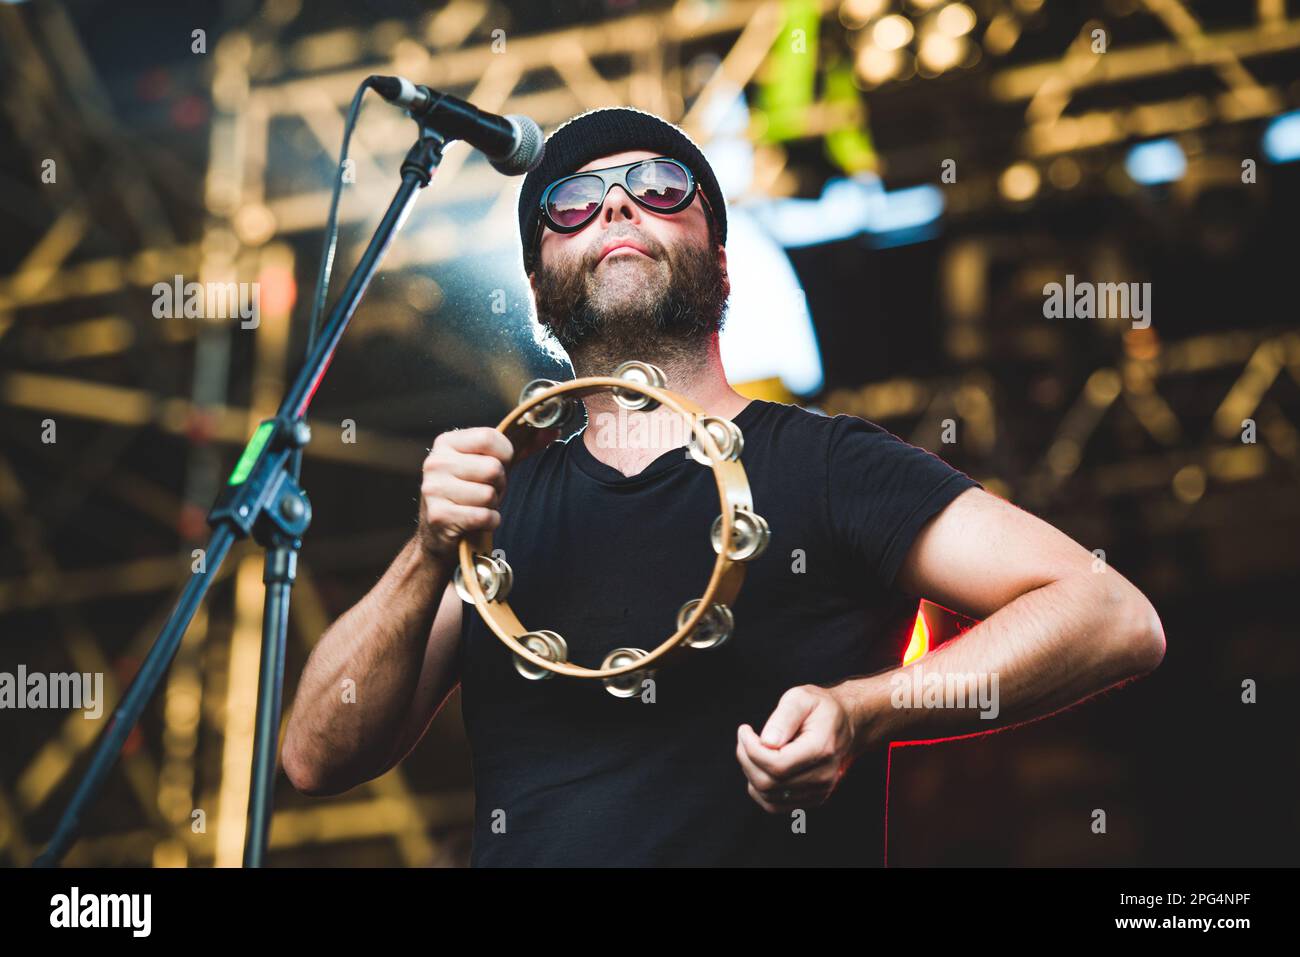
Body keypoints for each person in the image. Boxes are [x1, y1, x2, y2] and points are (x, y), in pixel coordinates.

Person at [282, 107, 1165, 866]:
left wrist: (864, 710)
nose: (617, 204)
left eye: (661, 185)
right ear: (539, 291)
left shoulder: (829, 464)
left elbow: (1110, 615)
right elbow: (314, 756)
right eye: (572, 203)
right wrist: (428, 551)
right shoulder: (490, 516)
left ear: (723, 261)